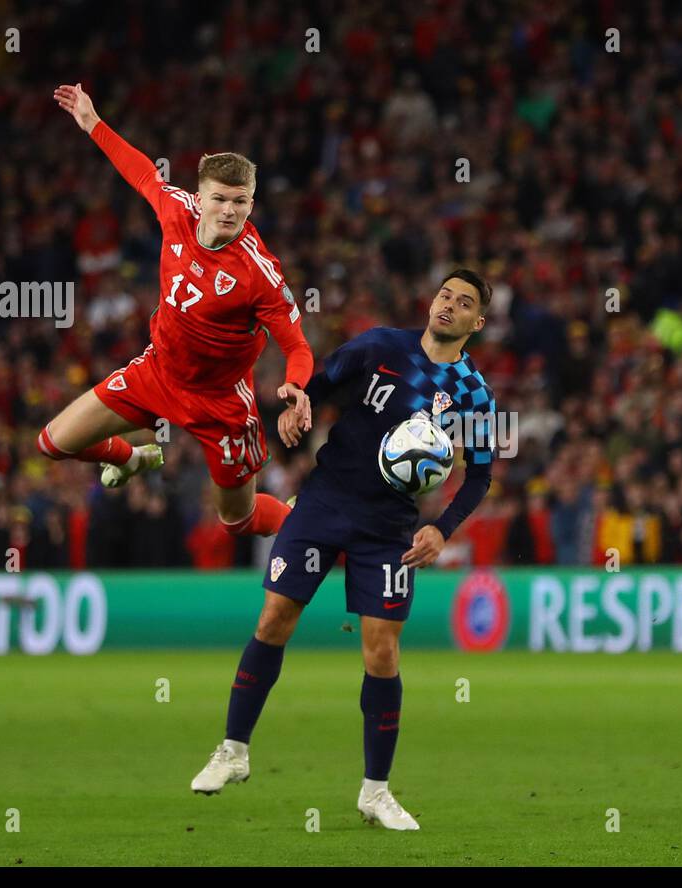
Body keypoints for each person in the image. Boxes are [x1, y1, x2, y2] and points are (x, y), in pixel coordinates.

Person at [189, 270, 498, 831]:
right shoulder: (381, 345)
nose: (448, 305)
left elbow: (479, 476)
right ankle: (233, 750)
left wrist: (443, 530)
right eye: (445, 294)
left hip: (389, 529)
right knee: (275, 619)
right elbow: (321, 384)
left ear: (478, 322)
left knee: (382, 654)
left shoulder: (475, 394)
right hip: (325, 504)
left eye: (464, 302)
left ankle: (375, 792)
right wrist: (298, 407)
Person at [37, 83, 313, 541]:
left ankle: (307, 522)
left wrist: (298, 387)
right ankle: (132, 459)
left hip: (221, 403)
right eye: (220, 199)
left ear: (251, 202)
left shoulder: (259, 273)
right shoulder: (176, 211)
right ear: (201, 197)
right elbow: (142, 173)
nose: (229, 211)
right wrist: (92, 122)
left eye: (240, 201)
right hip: (158, 373)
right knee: (51, 443)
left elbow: (297, 345)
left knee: (237, 521)